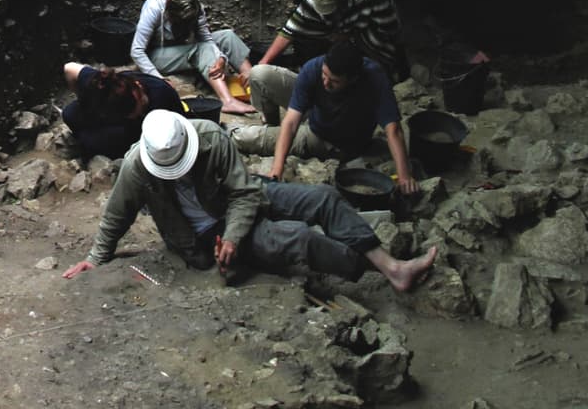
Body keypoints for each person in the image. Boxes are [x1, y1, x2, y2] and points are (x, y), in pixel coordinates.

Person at [61, 110, 437, 290]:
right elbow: (116, 216)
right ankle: (376, 272)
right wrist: (95, 260)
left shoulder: (209, 137)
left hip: (240, 199)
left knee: (323, 197)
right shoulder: (136, 168)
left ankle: (391, 266)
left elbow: (244, 193)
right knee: (296, 238)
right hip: (204, 235)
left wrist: (237, 235)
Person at [233, 42, 420, 194]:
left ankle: (227, 132)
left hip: (324, 137)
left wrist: (404, 176)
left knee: (245, 138)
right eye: (324, 75)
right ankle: (270, 122)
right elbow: (290, 122)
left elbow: (393, 129)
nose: (326, 82)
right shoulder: (314, 67)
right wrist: (277, 168)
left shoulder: (375, 78)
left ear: (353, 78)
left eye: (334, 81)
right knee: (260, 74)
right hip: (315, 111)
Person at [257, 0, 407, 81]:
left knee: (380, 50)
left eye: (330, 12)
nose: (326, 16)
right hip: (342, 27)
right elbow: (289, 31)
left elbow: (390, 29)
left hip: (368, 21)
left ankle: (388, 78)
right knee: (317, 42)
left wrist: (393, 53)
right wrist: (263, 63)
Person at [130, 0, 255, 115]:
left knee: (227, 36)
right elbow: (137, 51)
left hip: (181, 48)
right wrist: (159, 78)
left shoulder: (193, 5)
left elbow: (205, 38)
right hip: (156, 55)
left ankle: (252, 78)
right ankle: (228, 101)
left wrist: (221, 58)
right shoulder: (153, 8)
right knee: (201, 50)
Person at [61, 62, 184, 158]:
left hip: (143, 128)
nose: (140, 113)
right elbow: (69, 68)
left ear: (138, 85)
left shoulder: (163, 95)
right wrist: (83, 99)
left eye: (140, 106)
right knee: (69, 114)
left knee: (89, 141)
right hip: (118, 118)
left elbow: (181, 129)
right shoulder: (103, 85)